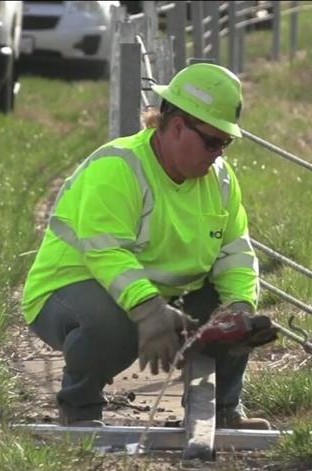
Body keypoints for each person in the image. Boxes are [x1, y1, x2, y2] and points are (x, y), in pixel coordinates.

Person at [21, 63, 269, 429]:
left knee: (230, 321)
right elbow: (106, 253)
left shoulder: (221, 180)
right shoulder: (118, 167)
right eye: (213, 141)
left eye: (226, 143)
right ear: (178, 126)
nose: (219, 153)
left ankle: (222, 411)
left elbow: (235, 251)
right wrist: (148, 309)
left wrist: (239, 307)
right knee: (115, 323)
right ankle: (80, 408)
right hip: (70, 288)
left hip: (159, 293)